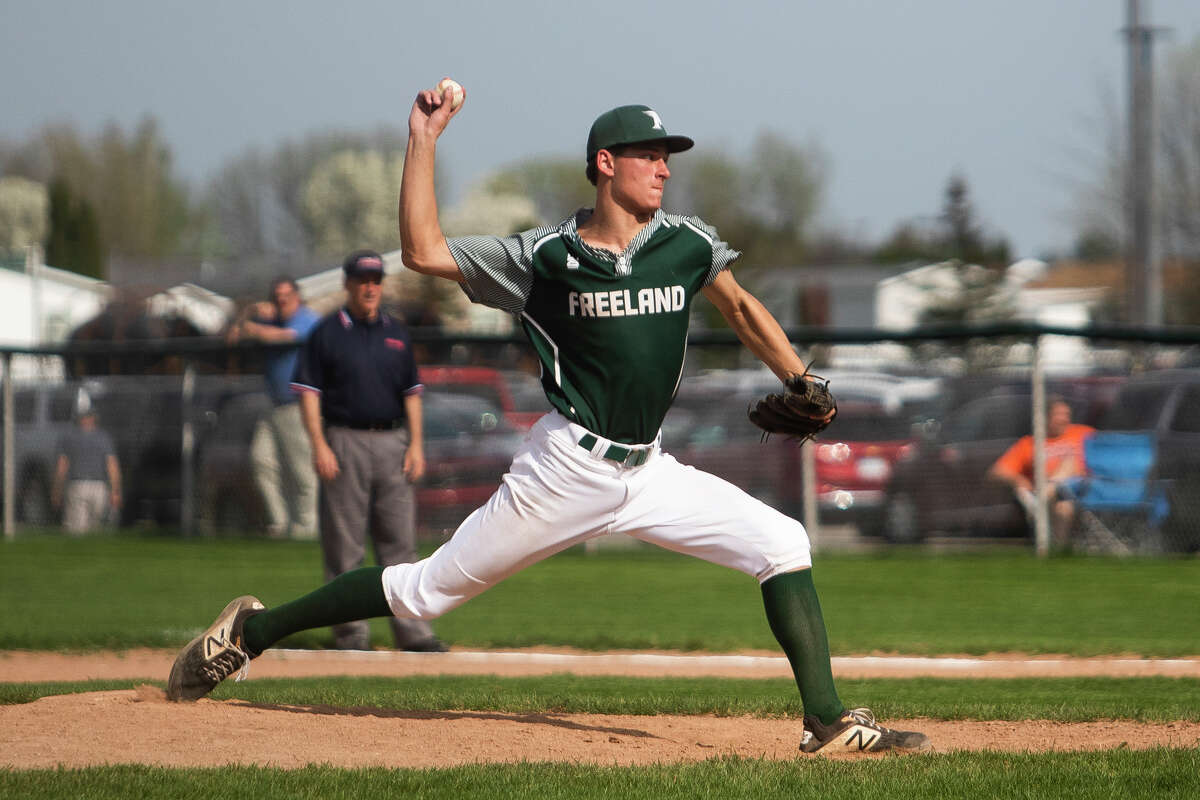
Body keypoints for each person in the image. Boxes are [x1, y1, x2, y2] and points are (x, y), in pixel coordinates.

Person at [167, 84, 928, 755]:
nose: (663, 166)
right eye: (647, 154)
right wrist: (423, 141)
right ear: (604, 163)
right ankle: (249, 633)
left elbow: (740, 306)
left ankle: (826, 723)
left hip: (650, 469)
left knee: (782, 541)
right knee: (425, 593)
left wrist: (799, 376)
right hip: (566, 468)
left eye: (667, 155)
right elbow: (422, 250)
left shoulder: (685, 244)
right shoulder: (545, 257)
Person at [290, 249, 446, 653]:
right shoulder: (326, 332)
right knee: (345, 545)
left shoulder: (396, 331)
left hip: (392, 442)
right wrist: (320, 444)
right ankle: (351, 634)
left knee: (401, 544)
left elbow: (411, 394)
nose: (370, 287)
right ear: (347, 284)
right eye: (362, 279)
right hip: (344, 440)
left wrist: (416, 444)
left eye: (376, 279)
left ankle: (413, 632)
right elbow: (308, 393)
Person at [227, 277, 321, 539]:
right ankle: (280, 525)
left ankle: (305, 530)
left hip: (300, 407)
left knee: (303, 471)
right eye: (277, 296)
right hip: (274, 405)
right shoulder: (270, 321)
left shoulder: (307, 318)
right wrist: (249, 313)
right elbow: (232, 336)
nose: (282, 301)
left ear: (297, 296)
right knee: (262, 461)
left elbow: (286, 337)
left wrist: (252, 328)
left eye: (286, 295)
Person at [988, 395, 1095, 548]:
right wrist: (1019, 480)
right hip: (1056, 499)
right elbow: (996, 472)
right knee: (1064, 508)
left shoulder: (1083, 434)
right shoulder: (1029, 443)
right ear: (1044, 417)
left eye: (1066, 415)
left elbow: (1104, 455)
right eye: (1058, 415)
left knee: (1069, 460)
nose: (1064, 419)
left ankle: (1041, 498)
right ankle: (1058, 551)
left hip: (1081, 489)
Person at [52, 400, 121, 534]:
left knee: (78, 529)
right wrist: (115, 490)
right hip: (95, 486)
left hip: (79, 486)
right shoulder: (103, 437)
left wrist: (57, 489)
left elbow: (62, 466)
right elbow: (112, 465)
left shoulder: (69, 437)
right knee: (94, 528)